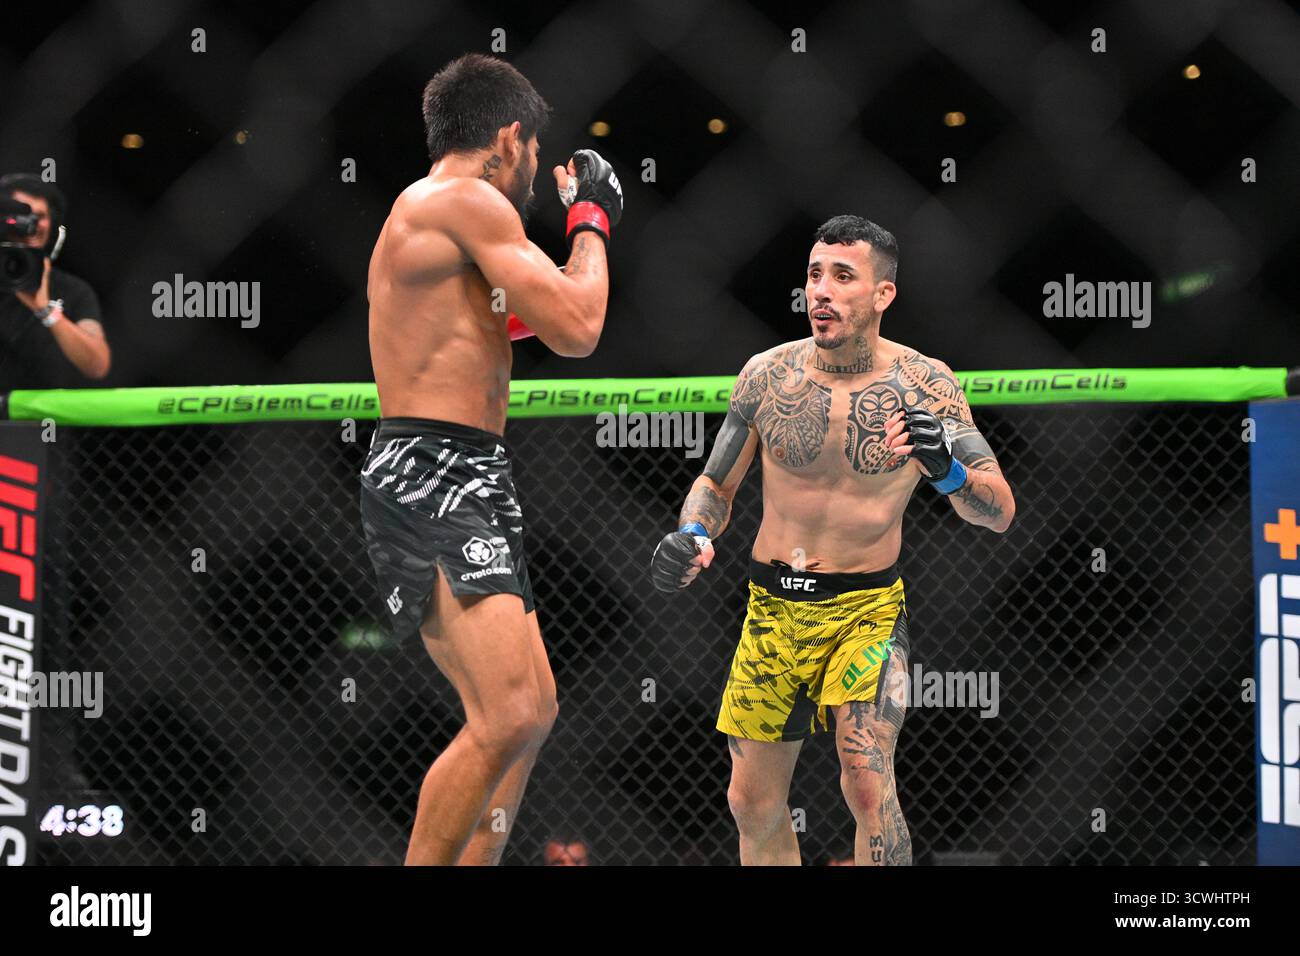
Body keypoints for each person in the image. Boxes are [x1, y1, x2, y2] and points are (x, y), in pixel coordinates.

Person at [650, 215, 1015, 866]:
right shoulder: (766, 376)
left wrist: (949, 470)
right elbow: (715, 483)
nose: (821, 290)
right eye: (814, 274)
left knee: (868, 784)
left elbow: (999, 512)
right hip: (772, 609)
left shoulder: (925, 384)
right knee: (751, 799)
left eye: (843, 276)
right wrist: (693, 533)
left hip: (864, 614)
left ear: (883, 294)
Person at [359, 53, 622, 866]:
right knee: (505, 715)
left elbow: (519, 320)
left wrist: (567, 255)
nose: (538, 167)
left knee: (532, 709)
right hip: (431, 468)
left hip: (469, 467)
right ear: (509, 137)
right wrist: (593, 221)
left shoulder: (444, 216)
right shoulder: (464, 199)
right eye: (536, 150)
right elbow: (578, 327)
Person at [0, 174, 111, 389]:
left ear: (51, 225)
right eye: (22, 215)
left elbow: (97, 366)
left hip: (43, 420)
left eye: (39, 217)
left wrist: (46, 311)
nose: (30, 225)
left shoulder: (73, 290)